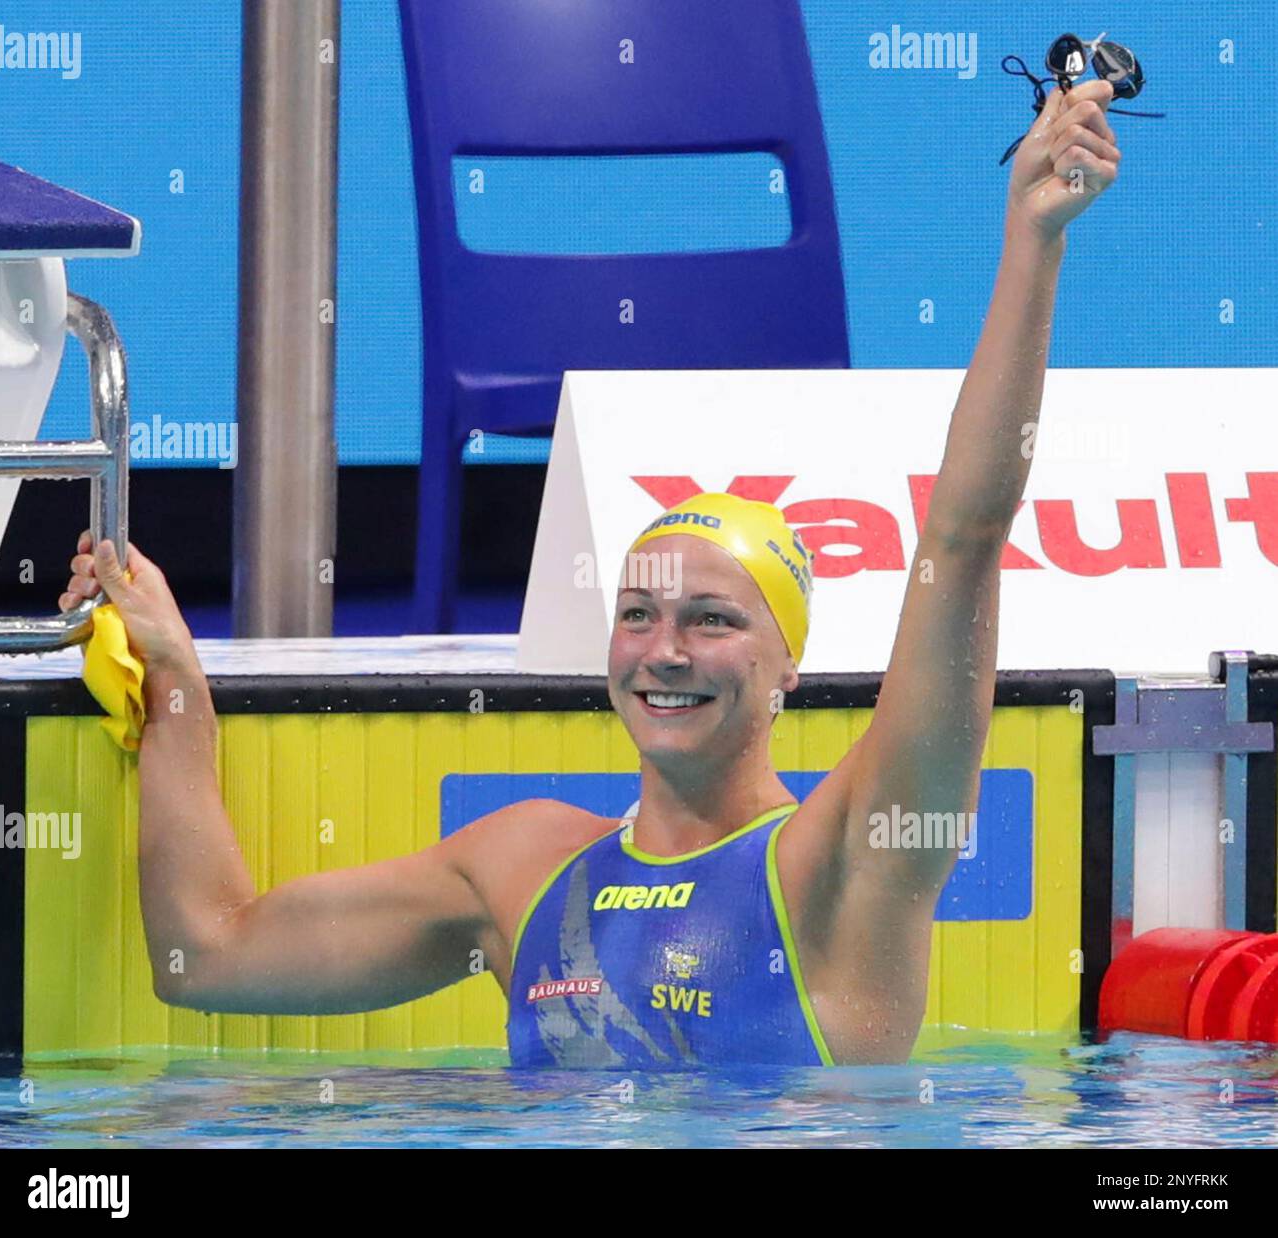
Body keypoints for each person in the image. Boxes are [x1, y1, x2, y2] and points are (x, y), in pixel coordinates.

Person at [59, 80, 1122, 1068]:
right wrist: (175, 685)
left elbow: (965, 535)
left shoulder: (844, 863)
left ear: (786, 663)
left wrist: (1032, 243)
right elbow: (206, 953)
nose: (665, 649)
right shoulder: (524, 870)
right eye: (638, 613)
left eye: (711, 619)